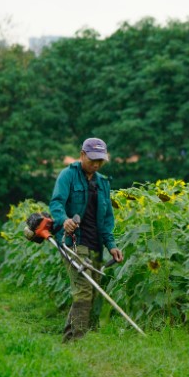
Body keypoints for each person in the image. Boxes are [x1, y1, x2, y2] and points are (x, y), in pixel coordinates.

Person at [49, 138, 124, 343]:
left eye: (100, 160)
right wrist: (64, 220)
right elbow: (56, 203)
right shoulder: (68, 176)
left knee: (90, 292)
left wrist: (112, 245)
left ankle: (68, 339)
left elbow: (107, 218)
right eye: (93, 159)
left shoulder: (102, 183)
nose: (96, 164)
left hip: (96, 244)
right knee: (83, 291)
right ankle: (79, 342)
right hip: (73, 241)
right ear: (82, 155)